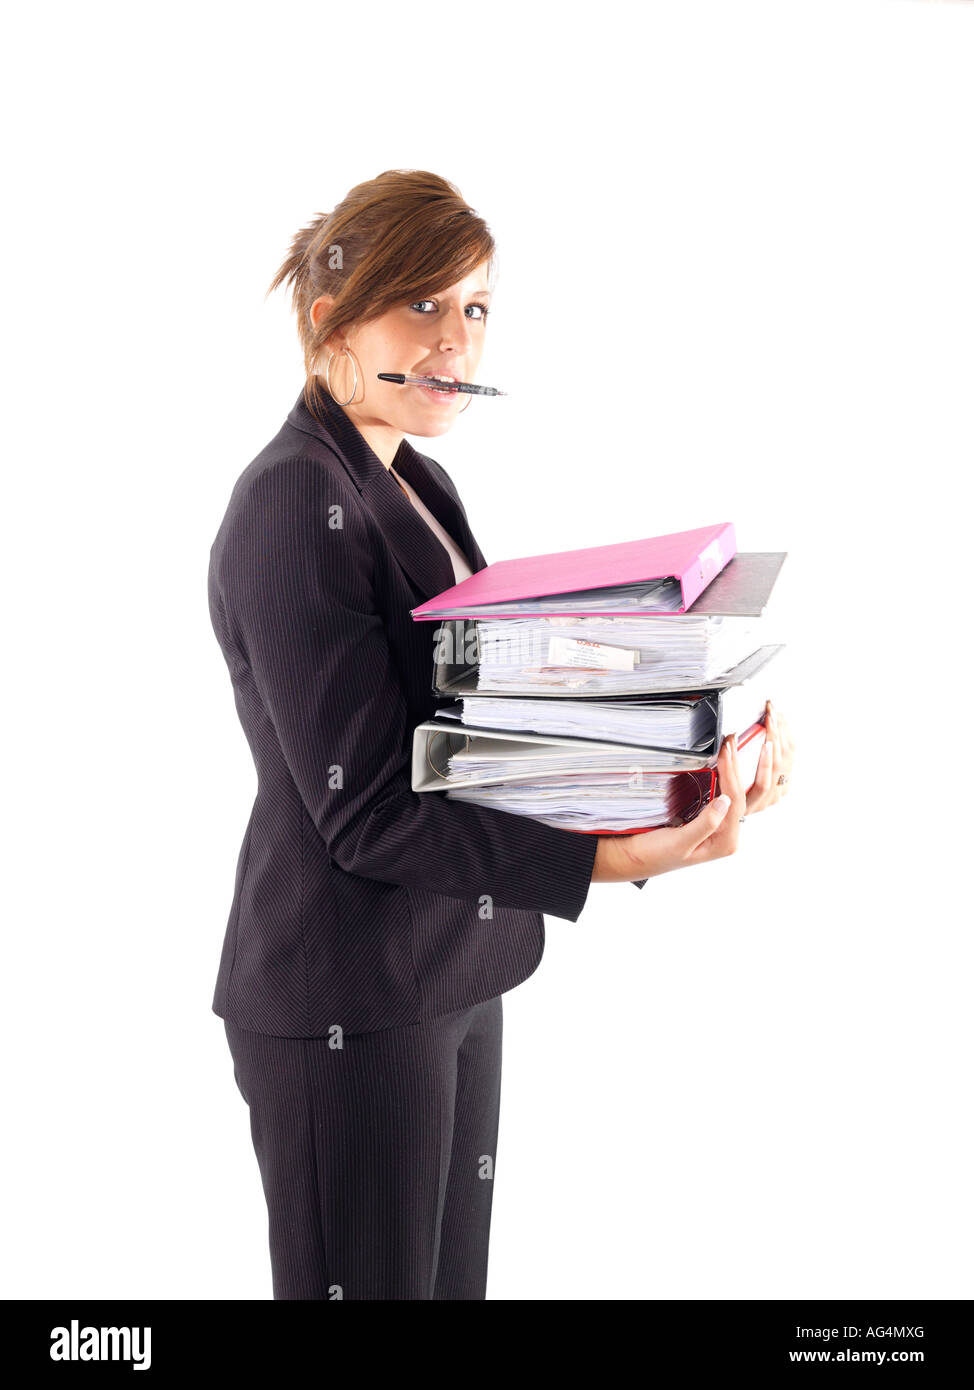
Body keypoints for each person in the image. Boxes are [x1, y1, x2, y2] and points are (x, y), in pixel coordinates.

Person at [207, 169, 796, 1301]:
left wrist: (693, 745)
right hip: (346, 993)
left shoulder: (410, 478)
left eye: (474, 308)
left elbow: (481, 718)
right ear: (332, 318)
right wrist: (610, 856)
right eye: (419, 305)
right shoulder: (292, 498)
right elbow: (366, 806)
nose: (455, 341)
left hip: (449, 965)